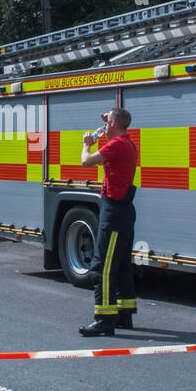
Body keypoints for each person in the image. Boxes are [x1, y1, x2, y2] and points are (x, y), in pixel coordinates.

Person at [78, 107, 138, 337]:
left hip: (114, 212)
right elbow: (114, 121)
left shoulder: (117, 145)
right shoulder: (126, 142)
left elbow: (86, 162)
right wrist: (109, 120)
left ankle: (104, 319)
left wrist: (86, 143)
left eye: (108, 122)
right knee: (121, 264)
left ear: (113, 125)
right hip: (123, 210)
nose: (105, 125)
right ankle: (124, 314)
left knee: (101, 266)